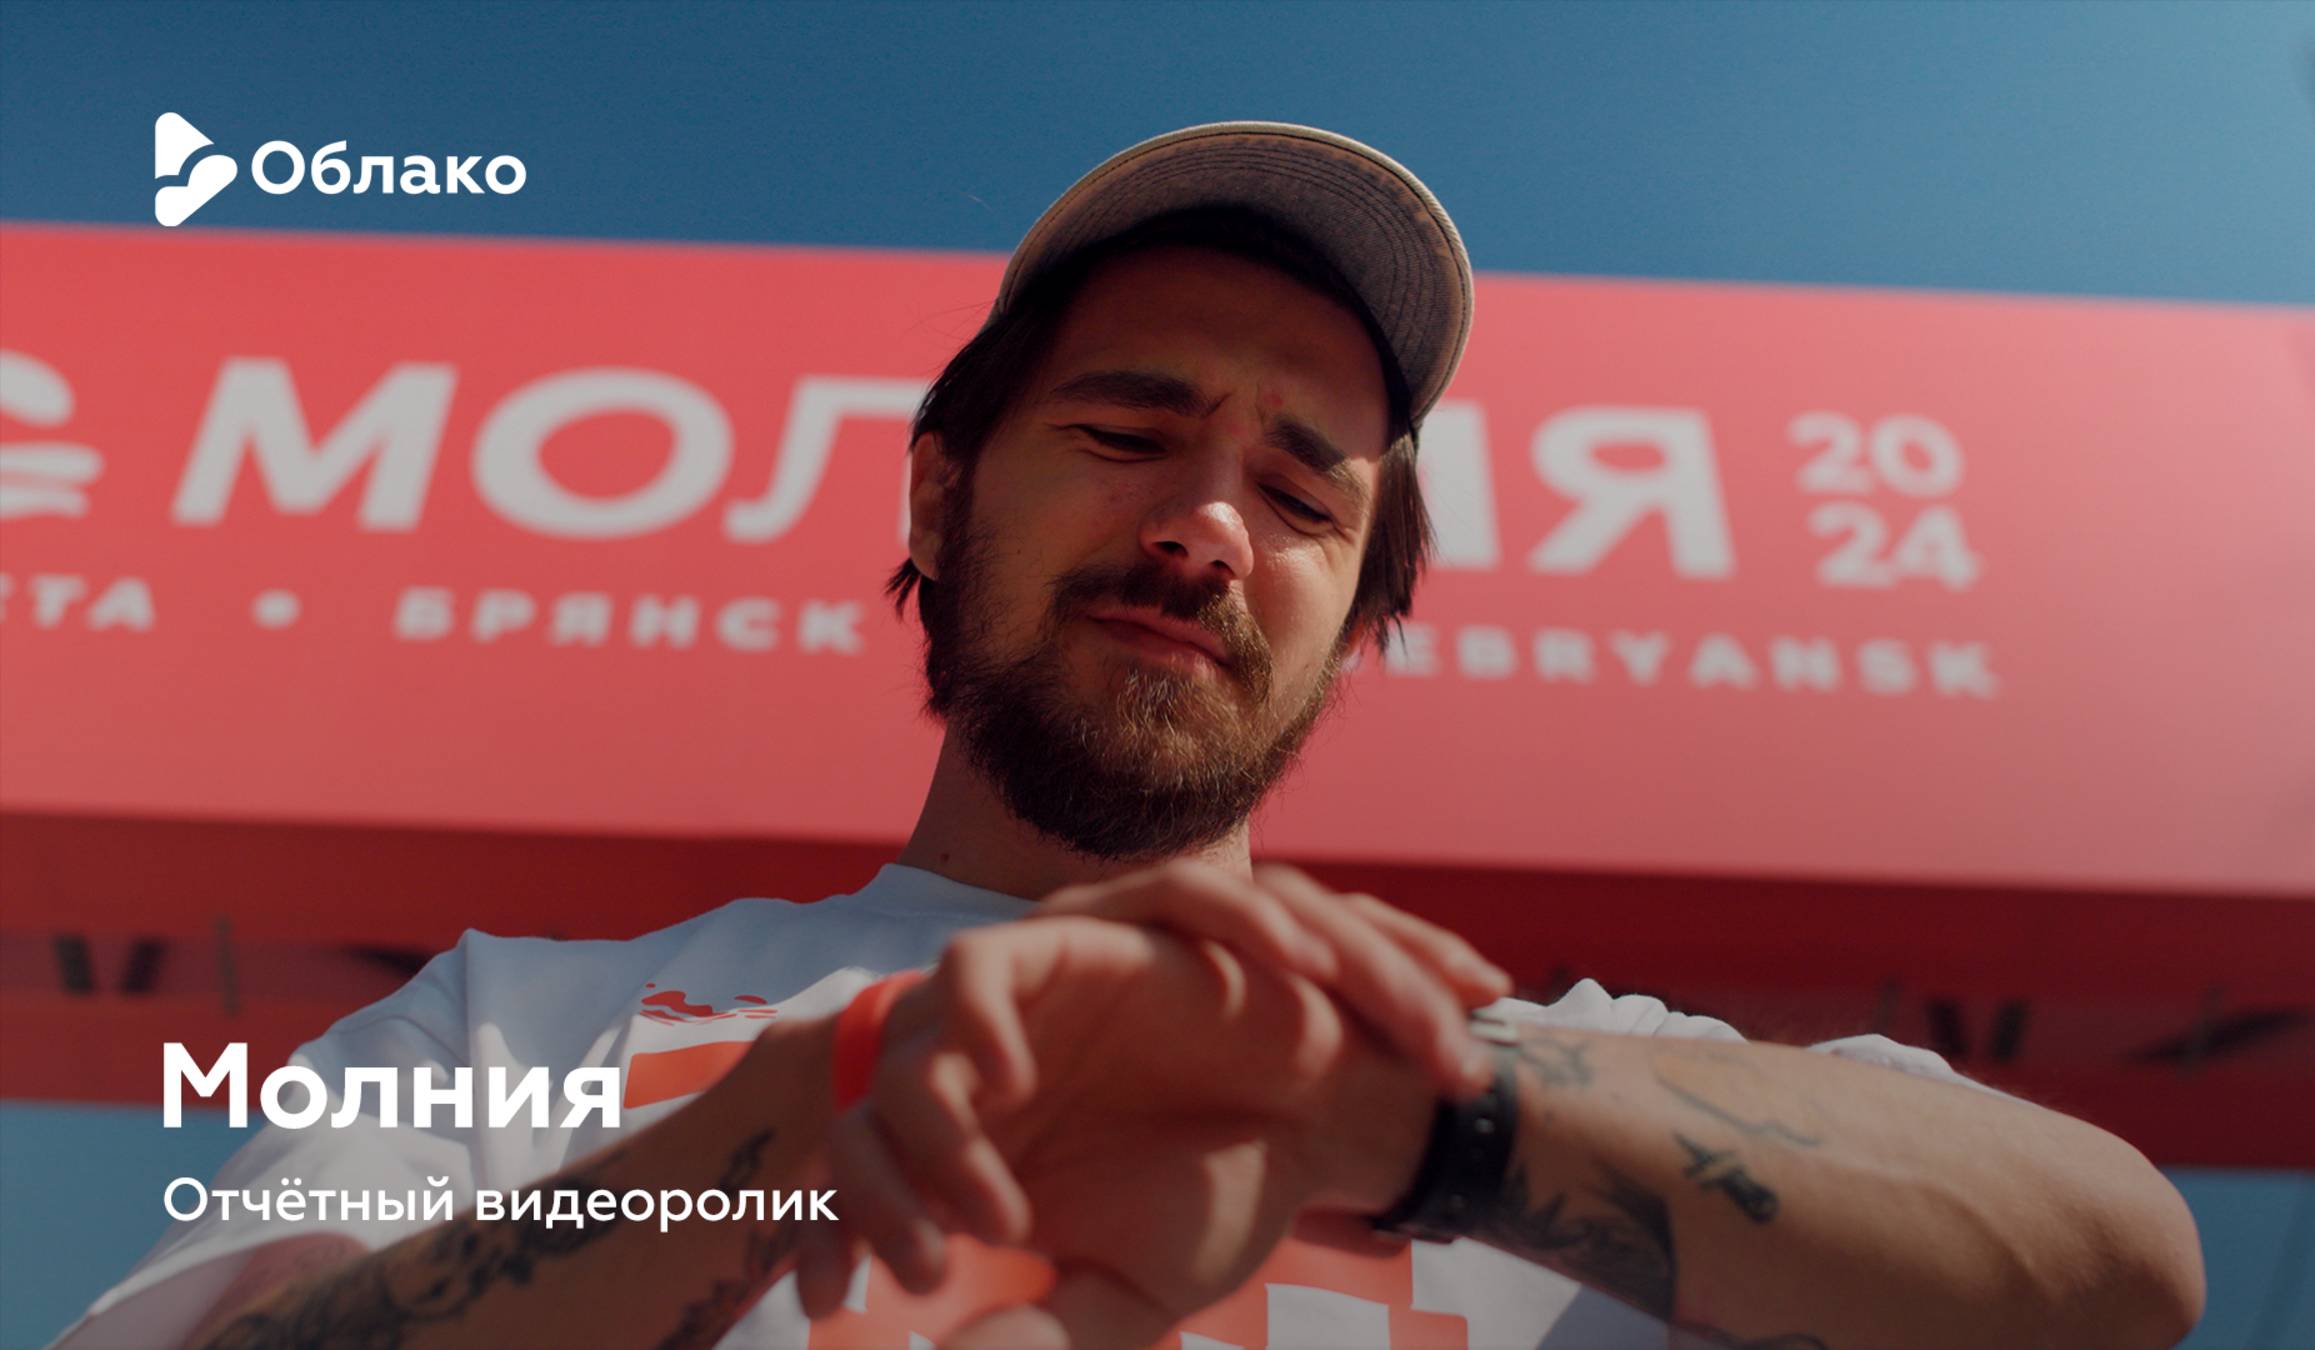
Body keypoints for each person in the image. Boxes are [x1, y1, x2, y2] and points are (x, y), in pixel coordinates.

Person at [58, 122, 2204, 1350]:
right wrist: (809, 1112)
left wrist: (1416, 1121)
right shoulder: (512, 1024)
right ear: (937, 500)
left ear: (1357, 623)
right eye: (1128, 431)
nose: (1204, 525)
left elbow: (2116, 1267)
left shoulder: (1537, 1066)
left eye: (1301, 495)